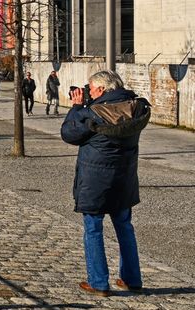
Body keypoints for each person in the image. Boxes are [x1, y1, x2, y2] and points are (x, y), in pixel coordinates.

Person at [60, 70, 150, 297]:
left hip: (95, 179)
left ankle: (99, 282)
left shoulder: (94, 113)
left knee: (93, 229)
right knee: (124, 227)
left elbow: (69, 133)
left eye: (91, 88)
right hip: (124, 177)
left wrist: (76, 107)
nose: (89, 92)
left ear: (101, 89)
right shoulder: (136, 108)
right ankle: (132, 279)